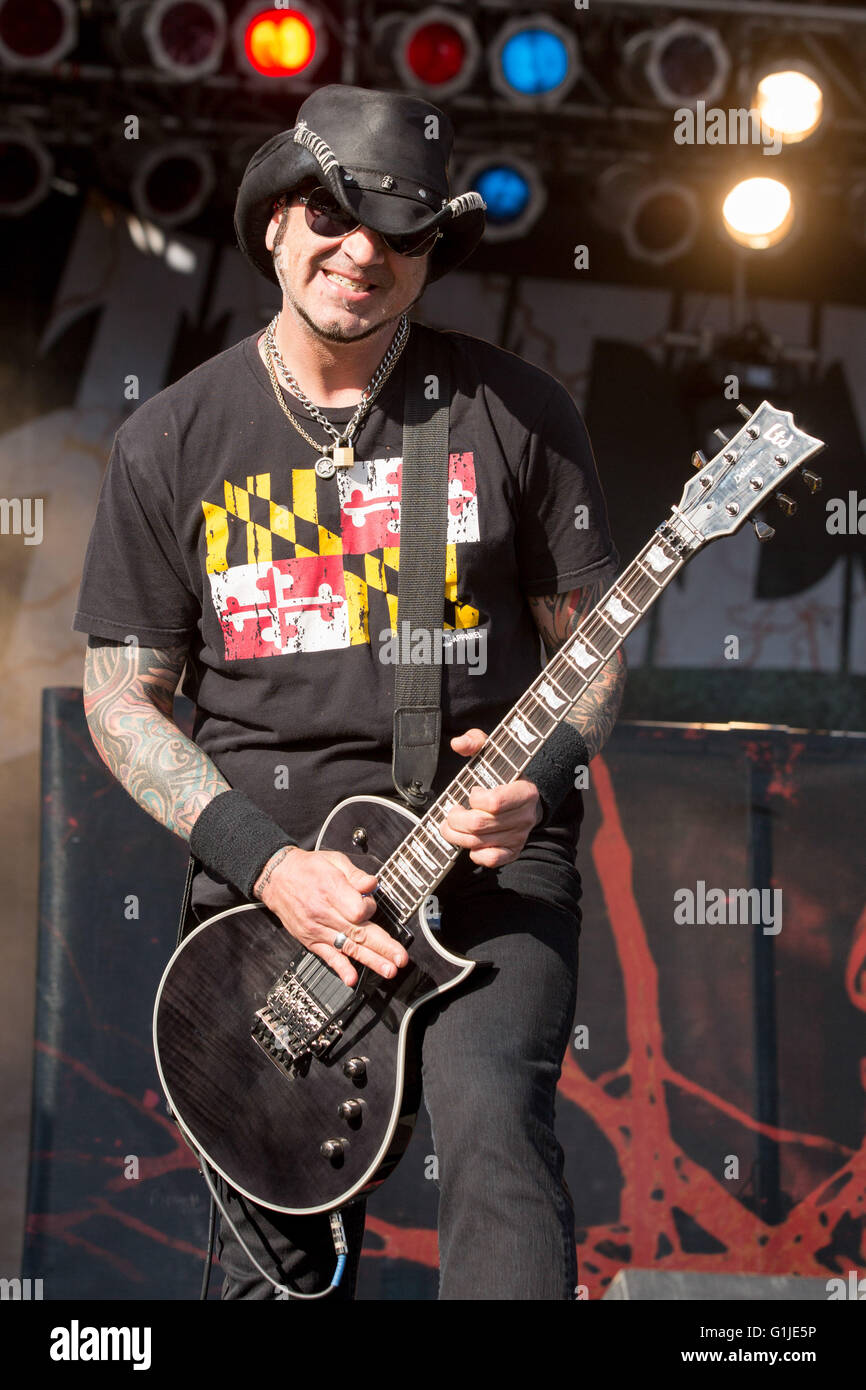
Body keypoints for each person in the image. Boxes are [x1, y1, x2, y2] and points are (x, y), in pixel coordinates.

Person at [74, 84, 625, 1301]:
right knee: (275, 1246)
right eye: (330, 214)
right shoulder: (169, 439)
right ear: (271, 221)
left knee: (492, 1135)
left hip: (483, 866)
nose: (362, 252)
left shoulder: (510, 410)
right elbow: (119, 700)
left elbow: (589, 652)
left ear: (431, 256)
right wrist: (267, 863)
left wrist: (529, 785)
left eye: (402, 230)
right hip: (264, 888)